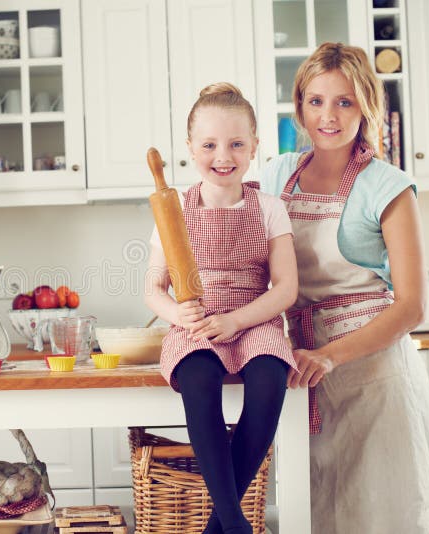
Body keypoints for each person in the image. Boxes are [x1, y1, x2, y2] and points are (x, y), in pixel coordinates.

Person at [259, 42, 429, 533]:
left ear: (366, 105)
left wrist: (330, 355)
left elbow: (411, 305)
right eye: (316, 100)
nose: (329, 116)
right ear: (299, 105)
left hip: (375, 383)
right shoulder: (276, 175)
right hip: (305, 379)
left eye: (344, 101)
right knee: (316, 514)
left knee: (382, 516)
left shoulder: (388, 186)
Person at [145, 83, 298, 534]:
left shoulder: (269, 208)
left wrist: (236, 320)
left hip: (254, 318)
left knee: (271, 381)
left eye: (236, 144)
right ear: (190, 148)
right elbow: (153, 287)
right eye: (209, 145)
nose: (222, 155)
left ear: (254, 147)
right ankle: (235, 524)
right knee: (199, 382)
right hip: (197, 322)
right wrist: (176, 315)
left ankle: (221, 526)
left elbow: (286, 288)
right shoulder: (172, 210)